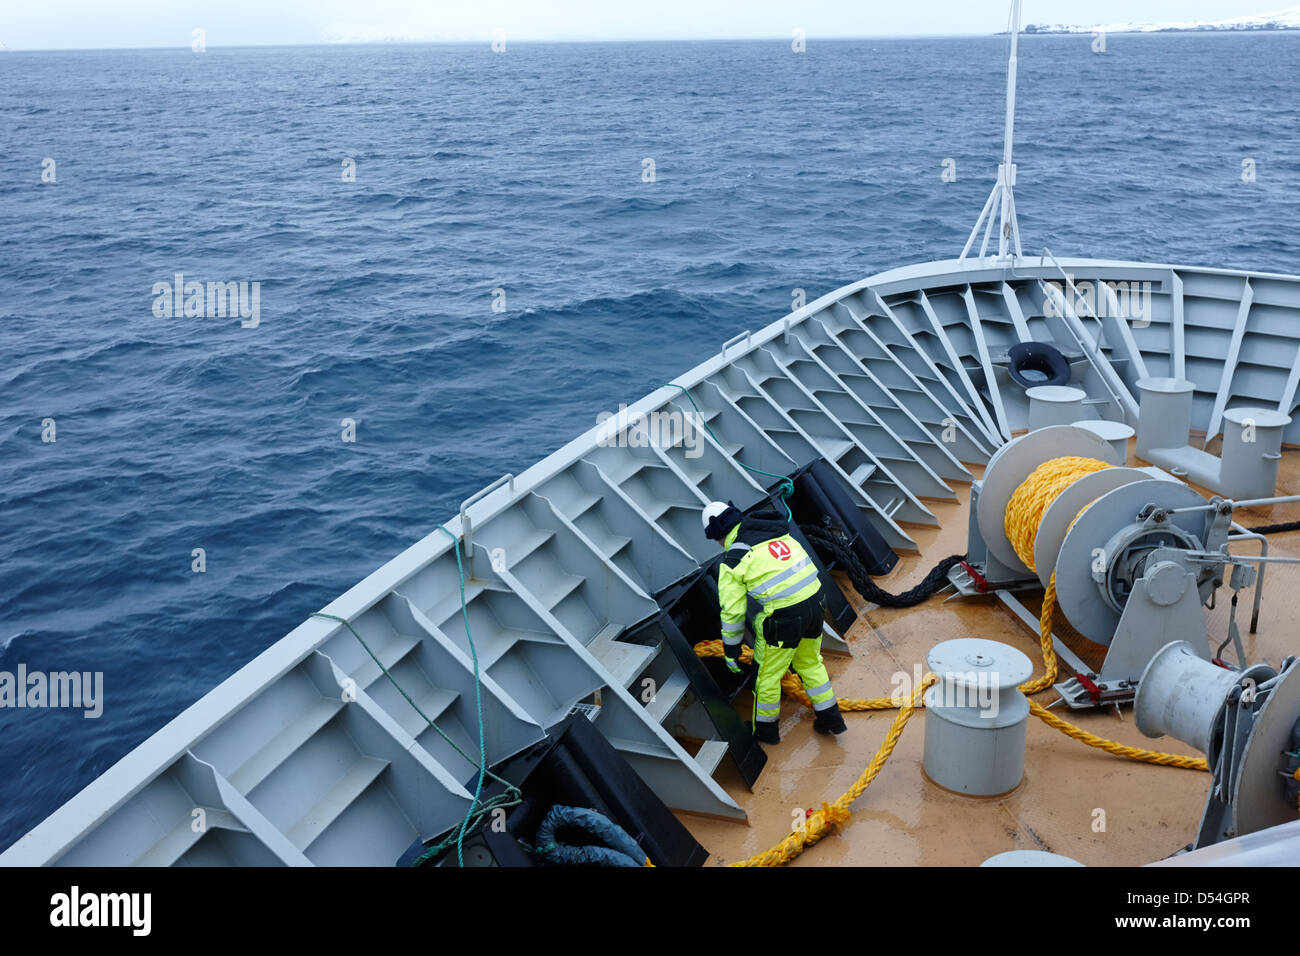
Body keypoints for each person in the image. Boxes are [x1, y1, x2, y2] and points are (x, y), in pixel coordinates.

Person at [702, 500, 847, 744]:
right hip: (816, 602)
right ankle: (832, 720)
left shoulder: (734, 560)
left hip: (785, 619)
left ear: (719, 534)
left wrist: (732, 650)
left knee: (767, 677)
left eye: (716, 539)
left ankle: (766, 732)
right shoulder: (777, 534)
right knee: (811, 663)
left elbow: (733, 613)